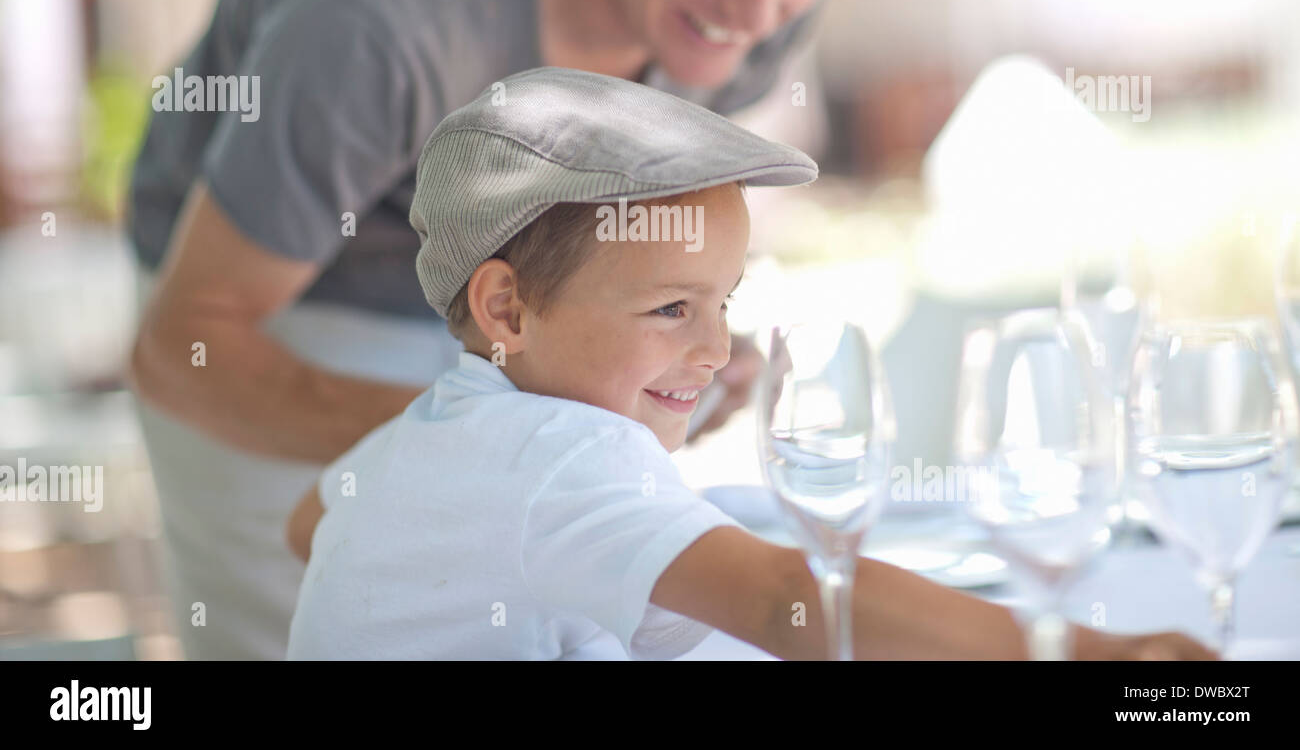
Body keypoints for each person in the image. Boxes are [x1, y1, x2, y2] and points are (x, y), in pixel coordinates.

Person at [125, 0, 883, 659]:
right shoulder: (378, 14)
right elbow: (181, 349)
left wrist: (663, 322)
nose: (756, 14)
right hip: (281, 303)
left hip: (511, 300)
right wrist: (489, 448)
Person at [283, 67, 1215, 661]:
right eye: (670, 308)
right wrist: (1096, 658)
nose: (716, 347)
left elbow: (307, 522)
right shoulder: (562, 453)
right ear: (505, 308)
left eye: (722, 302)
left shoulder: (442, 430)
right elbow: (783, 605)